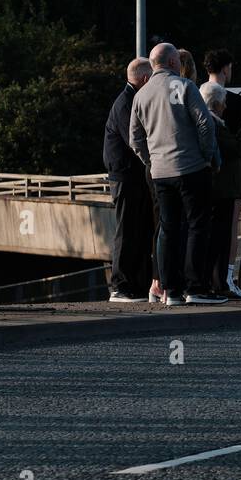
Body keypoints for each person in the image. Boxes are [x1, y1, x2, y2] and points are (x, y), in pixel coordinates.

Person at [130, 42, 223, 307]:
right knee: (197, 225)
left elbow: (134, 139)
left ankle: (170, 291)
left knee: (168, 230)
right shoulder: (184, 87)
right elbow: (205, 124)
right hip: (191, 167)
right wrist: (209, 157)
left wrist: (151, 161)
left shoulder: (141, 94)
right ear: (173, 62)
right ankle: (196, 287)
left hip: (160, 172)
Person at [201, 81, 241, 298]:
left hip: (218, 188)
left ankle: (214, 283)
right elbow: (235, 149)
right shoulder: (214, 124)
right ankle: (217, 284)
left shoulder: (209, 122)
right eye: (223, 103)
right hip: (222, 189)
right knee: (220, 237)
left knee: (217, 237)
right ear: (217, 104)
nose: (225, 107)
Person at [104, 57, 153, 302]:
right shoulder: (126, 104)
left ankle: (136, 283)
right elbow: (136, 141)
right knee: (127, 229)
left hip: (132, 176)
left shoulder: (130, 100)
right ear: (145, 79)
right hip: (125, 176)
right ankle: (121, 285)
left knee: (139, 228)